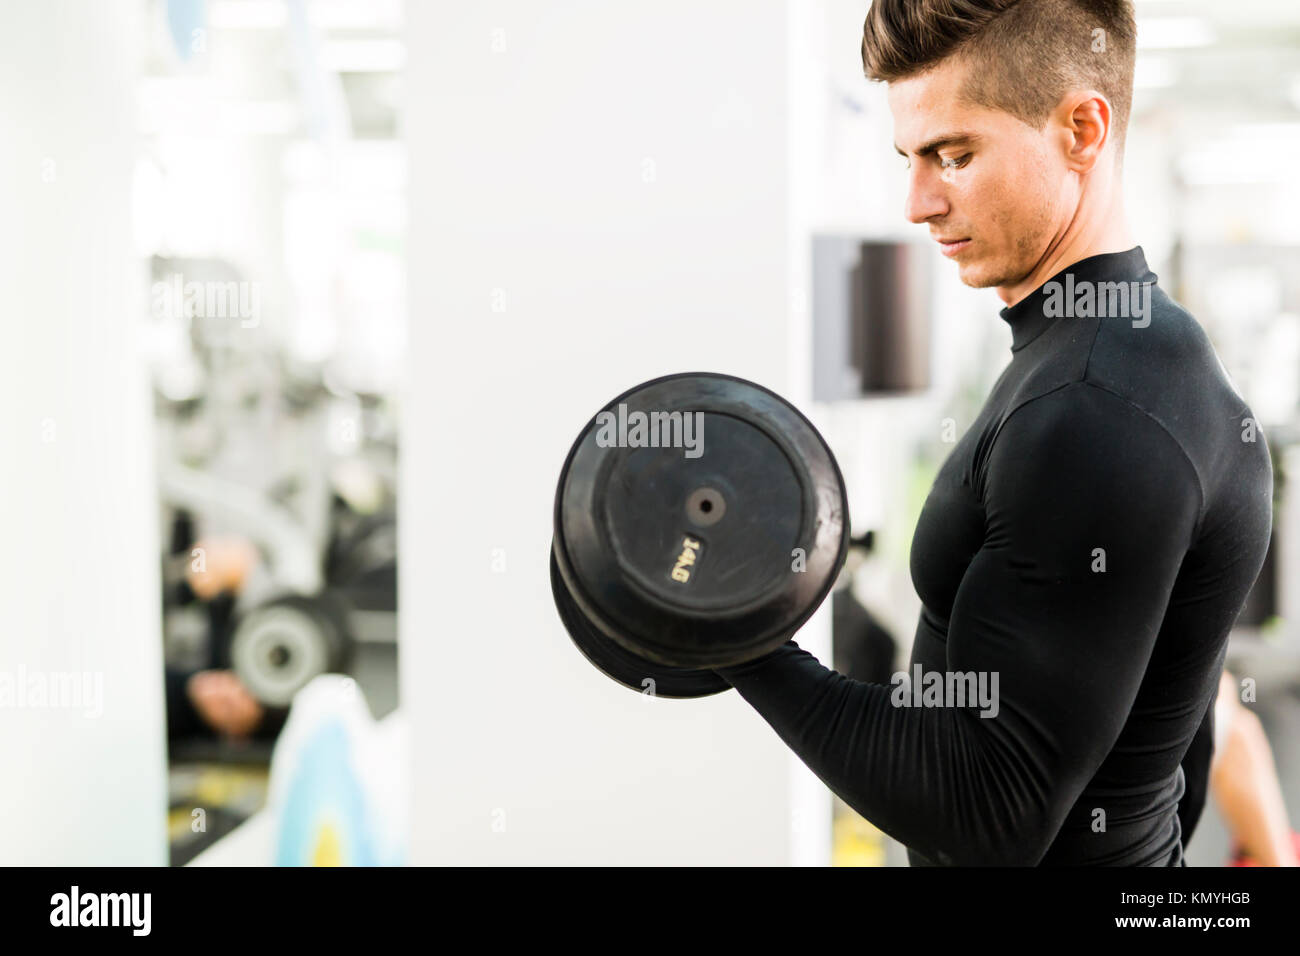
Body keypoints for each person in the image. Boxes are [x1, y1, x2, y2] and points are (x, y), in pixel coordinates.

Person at [713, 0, 1273, 866]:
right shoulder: (1131, 361)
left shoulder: (1094, 405)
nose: (916, 201)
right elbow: (1186, 739)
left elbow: (988, 809)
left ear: (1082, 129)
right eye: (909, 157)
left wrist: (737, 638)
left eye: (955, 155)